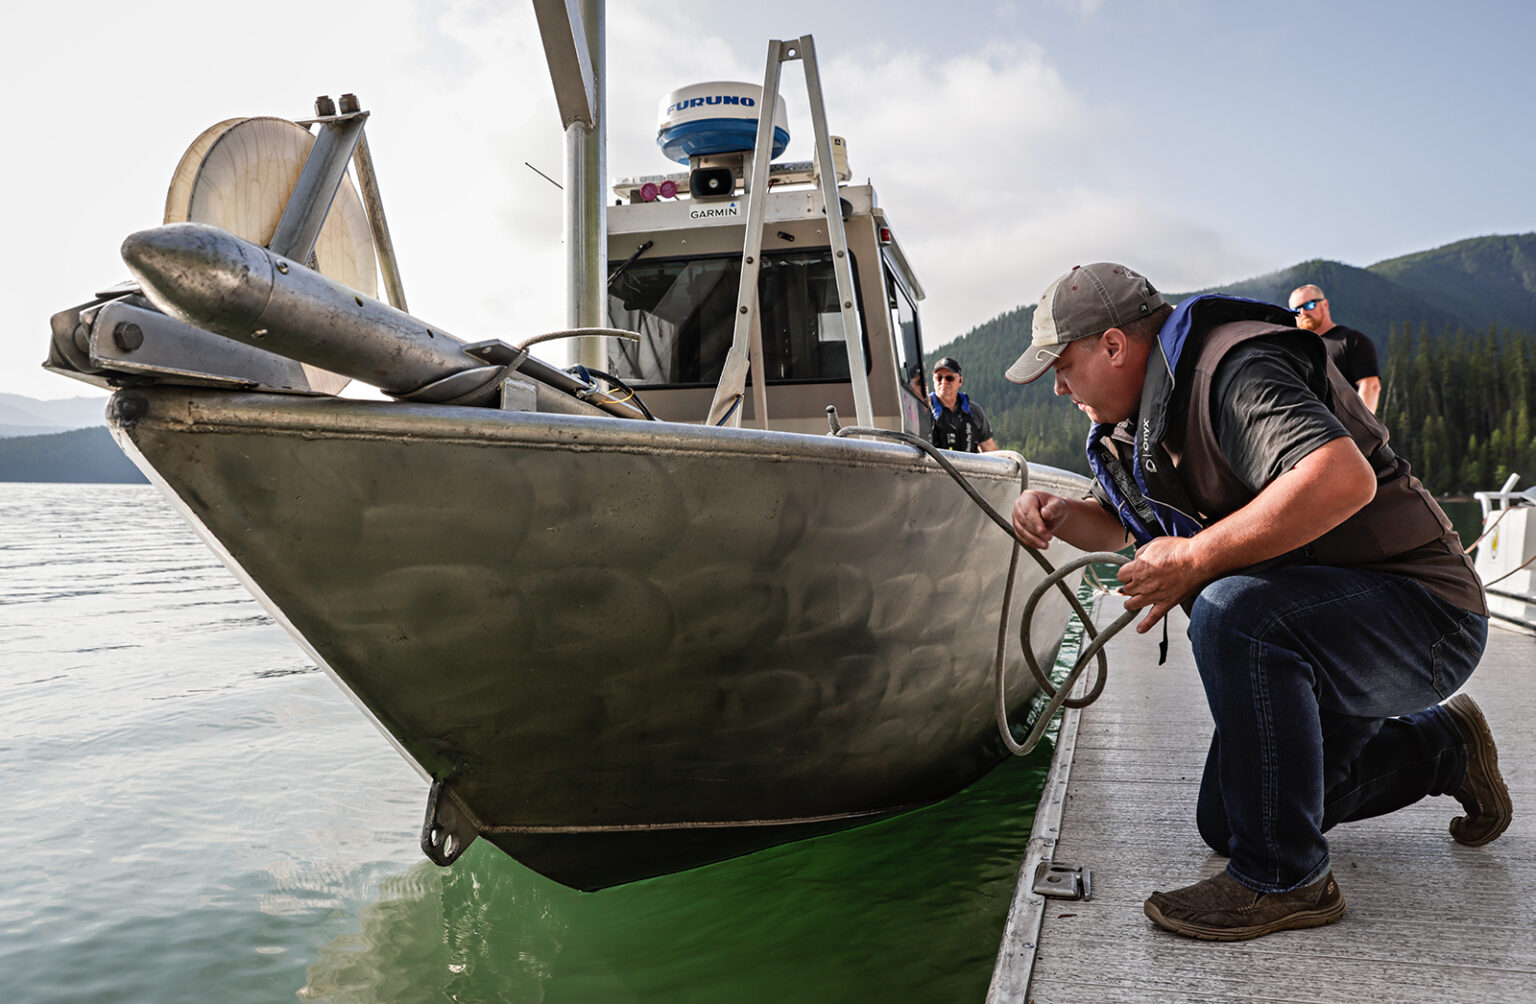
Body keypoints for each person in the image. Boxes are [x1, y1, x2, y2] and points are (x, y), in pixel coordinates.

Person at [1006, 262, 1510, 941]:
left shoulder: (1232, 370)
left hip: (1425, 619)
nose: (1060, 386)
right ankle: (1444, 748)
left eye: (1062, 365)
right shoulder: (1137, 425)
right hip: (1322, 635)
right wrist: (1064, 515)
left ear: (1115, 346)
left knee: (1230, 610)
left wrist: (1193, 559)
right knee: (1232, 820)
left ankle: (1286, 882)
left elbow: (1340, 479)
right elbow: (1128, 521)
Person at [1288, 283, 1382, 412]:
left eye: (1309, 305)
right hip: (1308, 428)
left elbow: (1370, 386)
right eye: (1297, 310)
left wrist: (1361, 429)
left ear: (1325, 304)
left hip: (1344, 428)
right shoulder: (1294, 350)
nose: (1303, 312)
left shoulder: (1352, 340)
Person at [928, 356, 998, 452]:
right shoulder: (923, 409)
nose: (943, 382)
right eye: (939, 378)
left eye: (949, 378)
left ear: (960, 381)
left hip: (968, 466)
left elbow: (990, 449)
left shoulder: (974, 411)